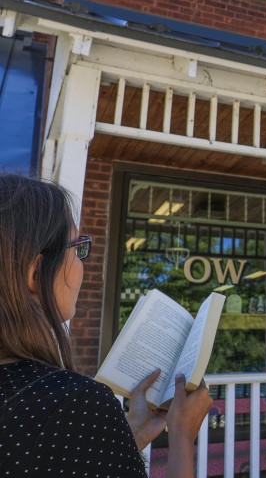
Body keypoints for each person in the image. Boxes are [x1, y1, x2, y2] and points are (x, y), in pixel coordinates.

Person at [0, 173, 212, 477]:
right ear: (37, 273)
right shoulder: (73, 402)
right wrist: (182, 434)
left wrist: (130, 435)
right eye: (77, 248)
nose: (82, 265)